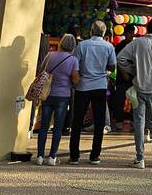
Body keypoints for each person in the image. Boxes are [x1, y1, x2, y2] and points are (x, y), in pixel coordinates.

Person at [117, 16, 152, 168]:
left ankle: (139, 158)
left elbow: (120, 58)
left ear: (146, 27)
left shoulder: (137, 43)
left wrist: (133, 70)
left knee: (139, 123)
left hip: (139, 88)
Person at [69, 20, 116, 165]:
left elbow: (74, 64)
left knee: (77, 120)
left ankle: (74, 156)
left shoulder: (82, 45)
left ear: (91, 31)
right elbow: (112, 66)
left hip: (83, 86)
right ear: (103, 32)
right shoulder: (109, 46)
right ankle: (95, 155)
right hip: (100, 86)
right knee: (99, 121)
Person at [36, 34, 80, 165]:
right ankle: (52, 157)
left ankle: (39, 156)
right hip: (63, 95)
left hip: (47, 94)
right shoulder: (73, 60)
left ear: (61, 43)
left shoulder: (50, 55)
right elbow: (75, 79)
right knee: (58, 127)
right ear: (73, 46)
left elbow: (41, 71)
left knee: (44, 125)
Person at [110, 22, 136, 130]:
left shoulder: (135, 46)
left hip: (133, 78)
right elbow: (115, 61)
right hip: (121, 77)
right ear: (125, 34)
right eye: (130, 33)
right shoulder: (119, 46)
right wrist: (122, 73)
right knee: (119, 99)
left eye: (133, 33)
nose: (131, 35)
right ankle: (119, 121)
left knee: (134, 99)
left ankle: (133, 121)